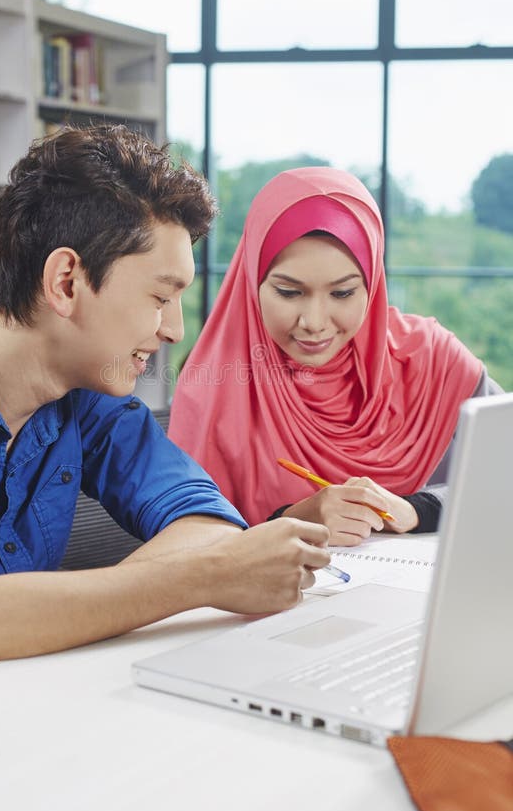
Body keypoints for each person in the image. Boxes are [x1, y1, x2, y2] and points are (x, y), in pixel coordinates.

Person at [0, 126, 332, 690]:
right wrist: (199, 581)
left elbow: (205, 522)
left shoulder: (87, 393)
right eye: (160, 297)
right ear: (66, 282)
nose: (175, 330)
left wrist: (71, 617)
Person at [169, 167, 501, 544]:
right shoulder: (213, 386)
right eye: (289, 292)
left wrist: (419, 508)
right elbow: (187, 551)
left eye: (342, 294)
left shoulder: (435, 362)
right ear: (252, 281)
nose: (314, 322)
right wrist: (295, 517)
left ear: (373, 286)